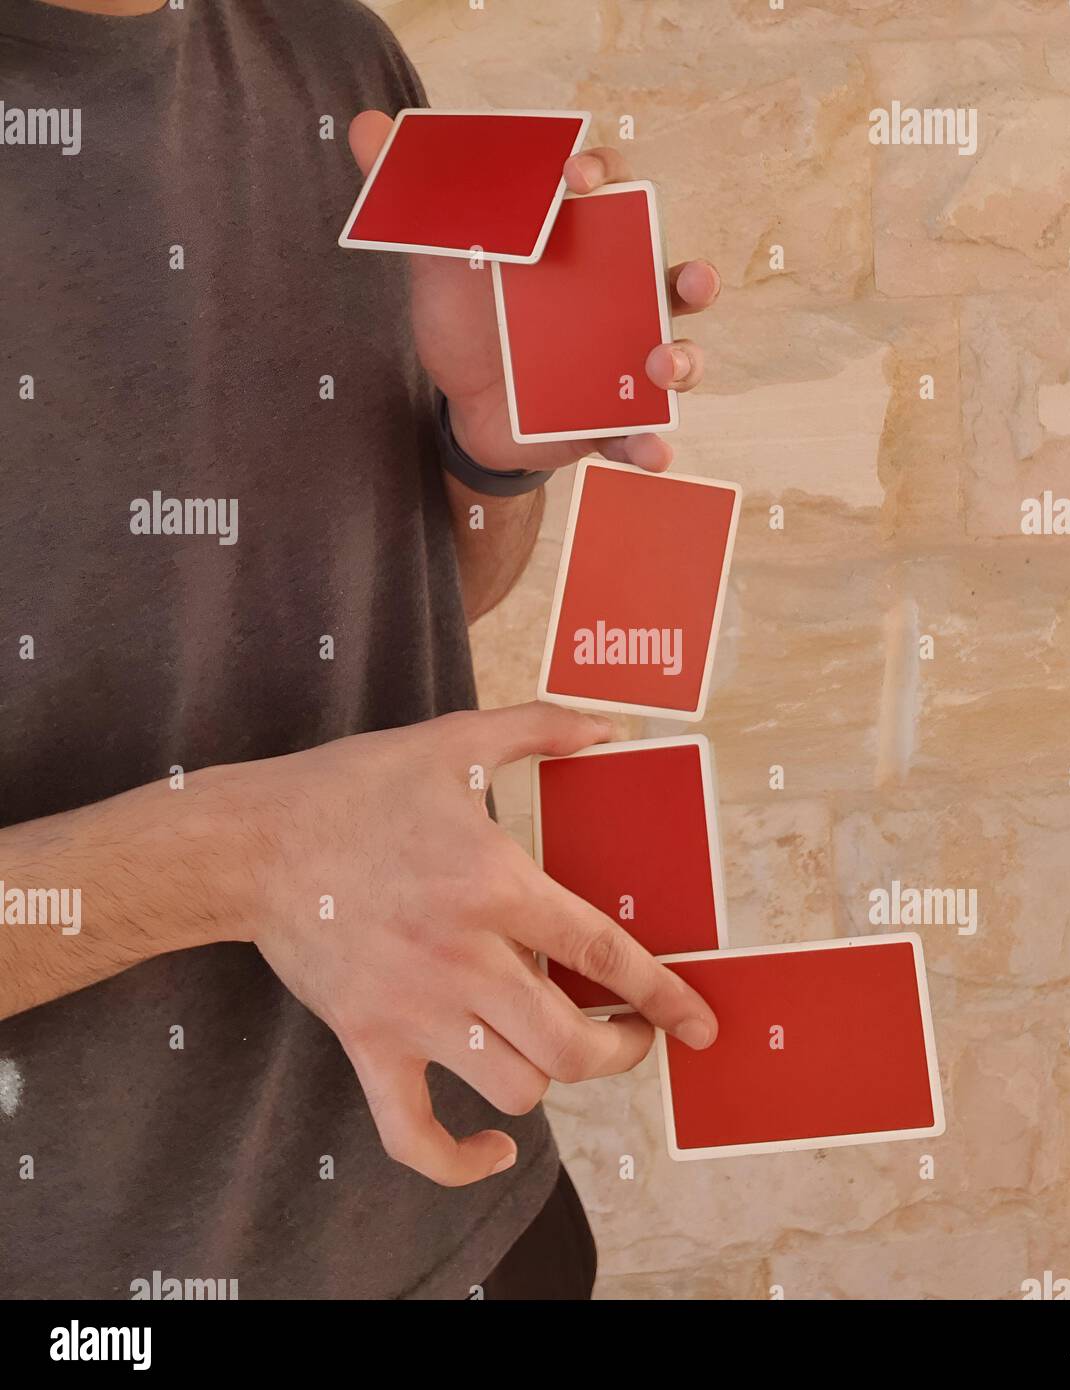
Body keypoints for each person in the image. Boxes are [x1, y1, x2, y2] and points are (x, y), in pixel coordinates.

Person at [0, 0, 720, 1300]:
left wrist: (493, 445)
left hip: (474, 1219)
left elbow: (434, 588)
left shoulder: (338, 59)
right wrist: (245, 858)